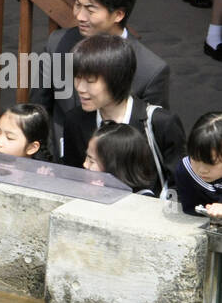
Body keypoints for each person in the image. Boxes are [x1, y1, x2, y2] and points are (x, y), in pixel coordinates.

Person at [30, 0, 170, 145]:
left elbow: (151, 135)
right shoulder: (58, 43)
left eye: (90, 9)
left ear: (118, 14)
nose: (80, 16)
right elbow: (39, 109)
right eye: (78, 5)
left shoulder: (150, 70)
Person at [54, 34, 185, 191]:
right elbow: (72, 178)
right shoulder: (75, 121)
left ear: (117, 79)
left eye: (90, 81)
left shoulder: (161, 123)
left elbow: (179, 185)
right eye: (77, 78)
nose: (80, 88)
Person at [84, 122, 159, 195]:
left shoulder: (143, 200)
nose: (85, 164)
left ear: (115, 167)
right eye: (86, 156)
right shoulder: (89, 188)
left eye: (91, 161)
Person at [174, 112, 222, 216]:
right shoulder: (185, 171)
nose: (202, 170)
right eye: (195, 159)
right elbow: (191, 209)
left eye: (211, 163)